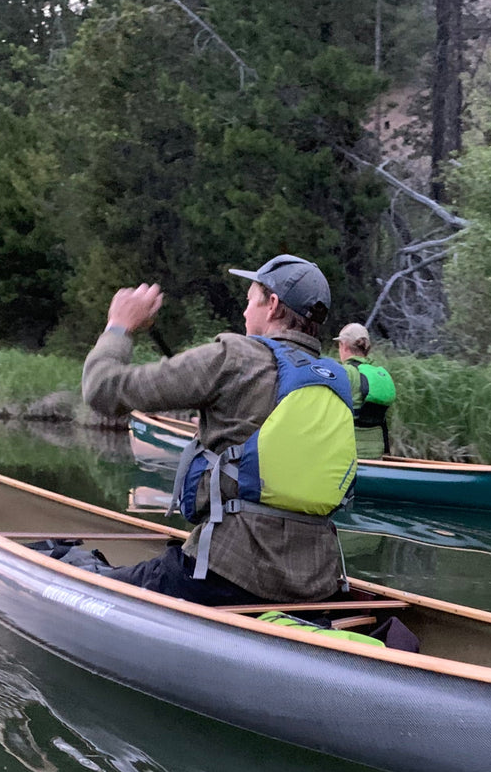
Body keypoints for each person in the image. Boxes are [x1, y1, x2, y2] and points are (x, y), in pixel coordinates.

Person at [82, 255, 357, 606]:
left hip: (225, 575)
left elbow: (102, 388)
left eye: (249, 299)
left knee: (81, 569)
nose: (244, 312)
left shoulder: (234, 357)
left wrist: (118, 328)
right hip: (317, 581)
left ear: (271, 305)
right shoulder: (338, 380)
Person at [336, 322, 396, 459]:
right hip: (377, 453)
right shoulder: (381, 375)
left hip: (349, 454)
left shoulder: (344, 373)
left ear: (343, 345)